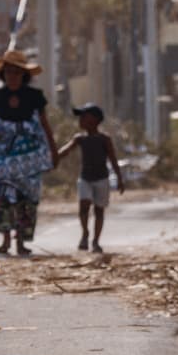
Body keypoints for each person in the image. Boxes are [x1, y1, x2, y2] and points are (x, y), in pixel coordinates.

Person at [0, 49, 56, 257]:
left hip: (30, 157)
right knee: (2, 198)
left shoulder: (35, 97)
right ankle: (4, 240)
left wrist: (53, 151)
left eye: (17, 72)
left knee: (26, 200)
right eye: (9, 71)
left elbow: (44, 125)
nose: (13, 76)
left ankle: (21, 241)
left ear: (24, 75)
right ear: (3, 74)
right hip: (2, 156)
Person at [56, 104, 125, 253]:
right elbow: (66, 150)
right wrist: (53, 157)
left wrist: (119, 178)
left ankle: (96, 241)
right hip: (85, 178)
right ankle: (85, 234)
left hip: (101, 178)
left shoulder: (104, 139)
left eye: (83, 117)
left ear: (94, 120)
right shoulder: (80, 139)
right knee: (84, 204)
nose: (80, 120)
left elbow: (113, 160)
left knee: (99, 210)